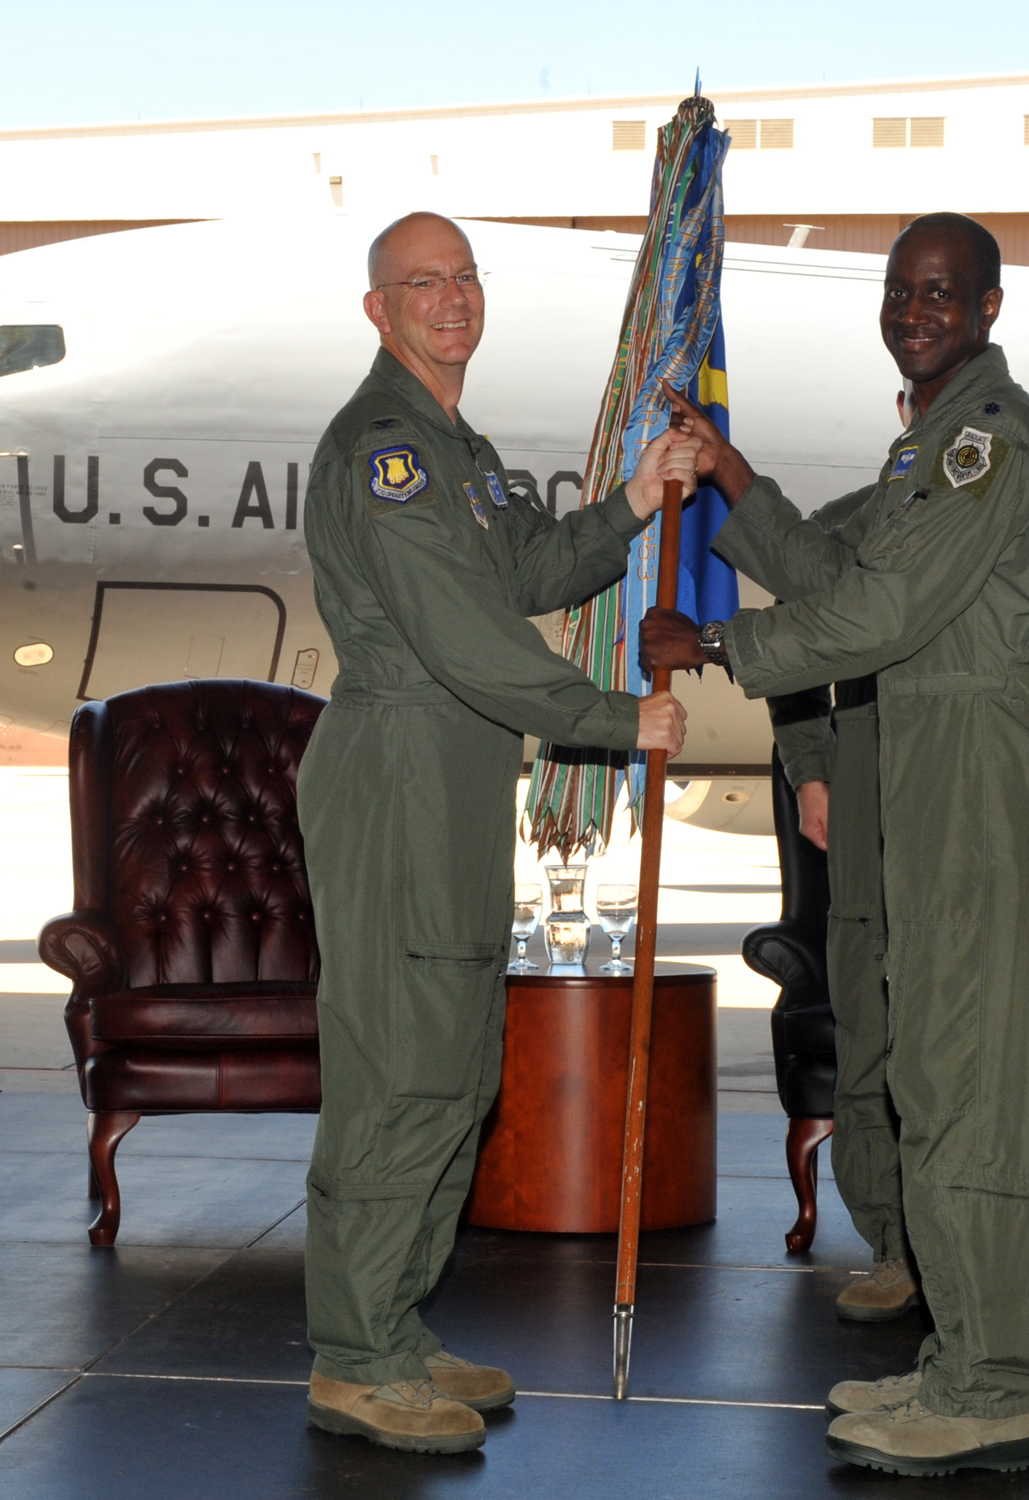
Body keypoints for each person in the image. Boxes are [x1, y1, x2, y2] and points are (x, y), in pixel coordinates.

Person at [643, 211, 1029, 1477]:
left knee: (974, 1096)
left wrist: (717, 646)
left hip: (981, 786)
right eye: (902, 289)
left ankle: (996, 1384)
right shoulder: (930, 448)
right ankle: (960, 1363)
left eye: (943, 291)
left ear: (990, 306)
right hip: (938, 783)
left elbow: (878, 610)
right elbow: (835, 571)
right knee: (938, 1083)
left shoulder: (987, 446)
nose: (916, 307)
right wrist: (730, 475)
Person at [297, 212, 696, 1454]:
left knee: (456, 1070)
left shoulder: (451, 449)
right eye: (422, 283)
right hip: (402, 772)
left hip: (454, 776)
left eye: (464, 277)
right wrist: (615, 719)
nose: (451, 298)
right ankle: (355, 1358)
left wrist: (633, 501)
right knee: (400, 1071)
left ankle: (398, 1326)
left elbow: (523, 565)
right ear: (379, 309)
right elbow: (467, 638)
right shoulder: (387, 455)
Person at [768, 506, 1029, 1324]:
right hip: (873, 822)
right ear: (901, 411)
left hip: (988, 826)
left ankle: (975, 1259)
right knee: (871, 1047)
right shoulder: (863, 520)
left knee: (981, 1057)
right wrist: (812, 766)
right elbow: (796, 625)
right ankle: (895, 1249)